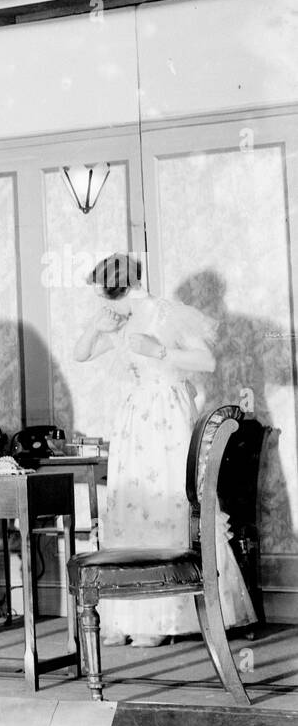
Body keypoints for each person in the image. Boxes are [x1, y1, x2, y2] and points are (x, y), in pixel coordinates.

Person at [73, 253, 256, 646]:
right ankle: (130, 616)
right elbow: (82, 353)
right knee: (133, 508)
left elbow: (205, 361)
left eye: (103, 296)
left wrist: (158, 350)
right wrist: (95, 326)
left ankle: (167, 618)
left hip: (166, 419)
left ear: (120, 288)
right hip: (134, 422)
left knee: (170, 505)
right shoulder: (117, 319)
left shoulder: (164, 313)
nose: (102, 304)